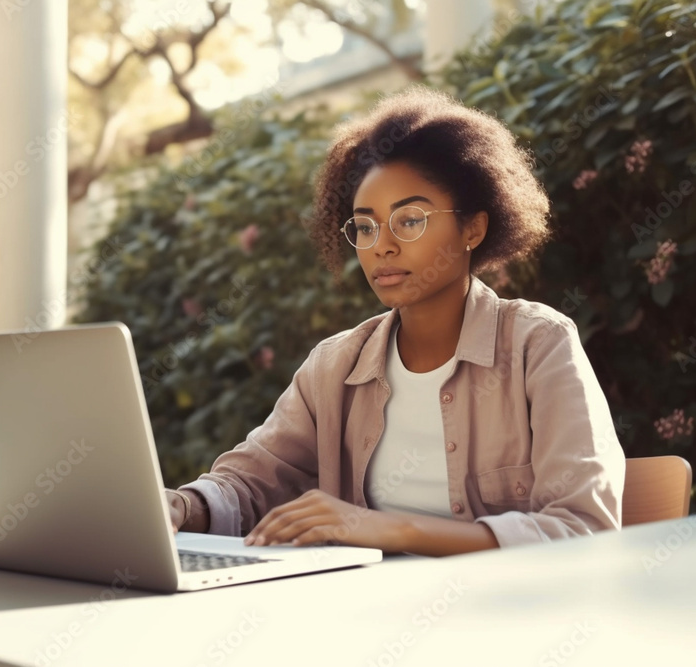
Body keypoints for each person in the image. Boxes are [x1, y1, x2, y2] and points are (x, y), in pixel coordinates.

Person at [164, 85, 625, 557]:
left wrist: (392, 530)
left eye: (409, 220)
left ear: (473, 228)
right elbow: (249, 482)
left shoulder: (539, 346)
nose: (381, 245)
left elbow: (583, 528)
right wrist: (178, 506)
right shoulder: (335, 367)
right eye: (365, 227)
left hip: (509, 619)